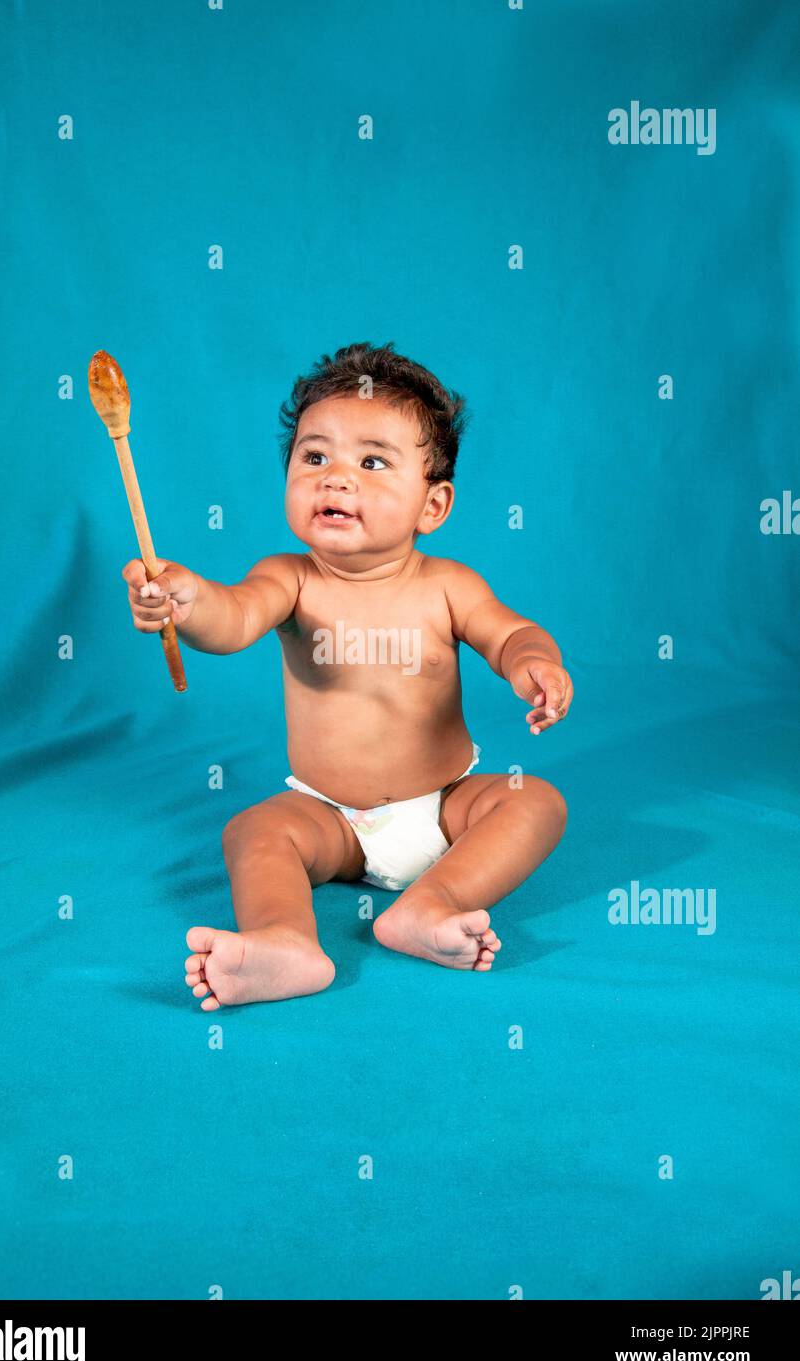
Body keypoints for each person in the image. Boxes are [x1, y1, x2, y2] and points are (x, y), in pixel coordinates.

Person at [122, 343, 572, 1007]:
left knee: (535, 801)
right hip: (329, 818)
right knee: (254, 830)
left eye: (371, 461)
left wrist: (535, 663)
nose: (335, 479)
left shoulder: (448, 585)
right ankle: (284, 942)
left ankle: (431, 904)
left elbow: (510, 632)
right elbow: (234, 618)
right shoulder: (289, 578)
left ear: (433, 506)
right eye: (314, 457)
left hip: (445, 808)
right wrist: (186, 601)